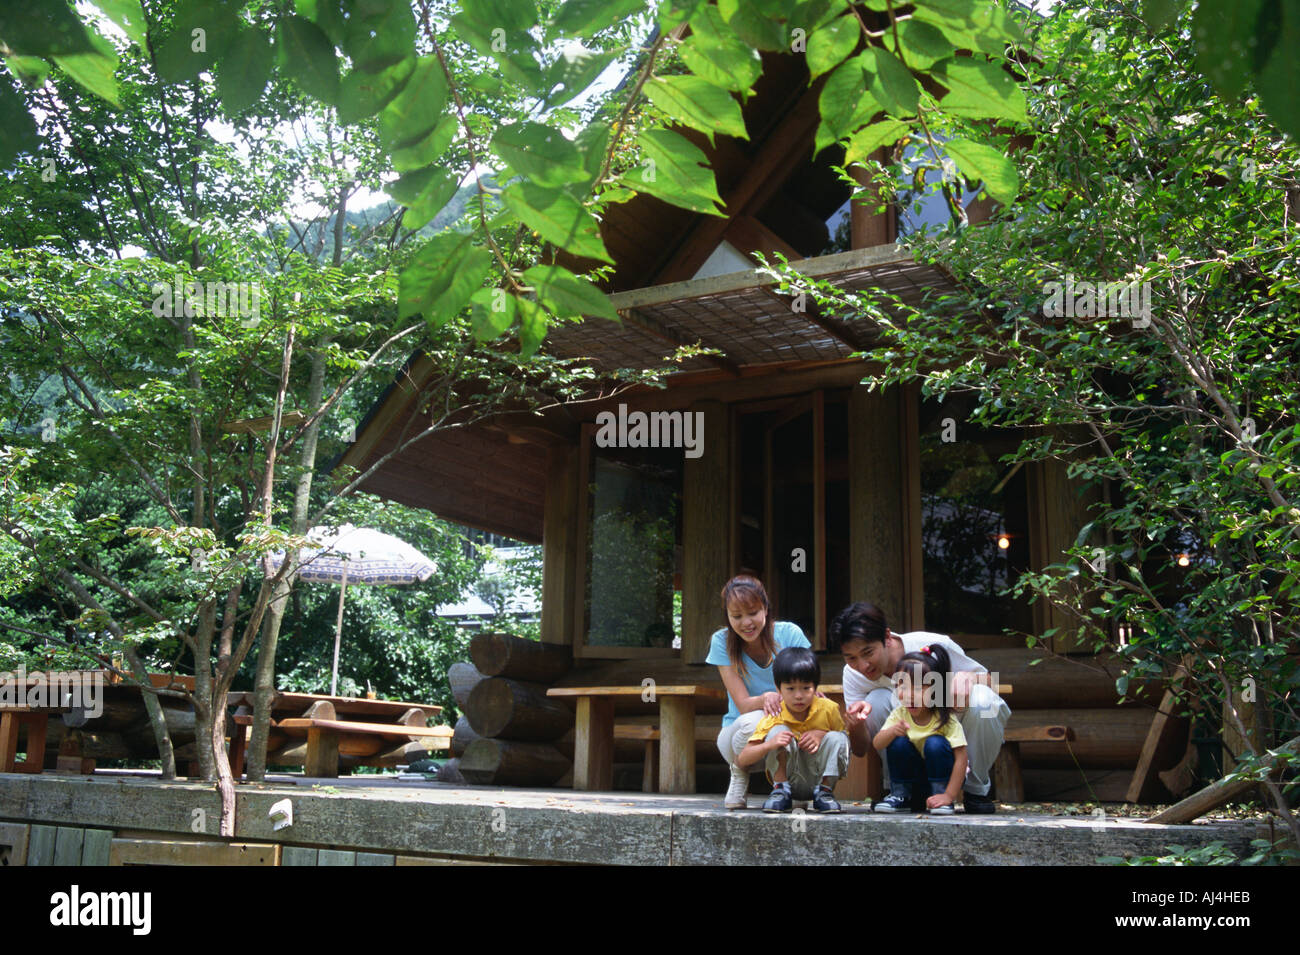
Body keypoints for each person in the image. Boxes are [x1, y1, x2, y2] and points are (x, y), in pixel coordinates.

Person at [829, 601, 1010, 813]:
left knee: (985, 701)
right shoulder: (853, 675)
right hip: (907, 743)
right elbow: (860, 749)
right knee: (877, 700)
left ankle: (976, 791)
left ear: (887, 637)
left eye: (868, 653)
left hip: (950, 730)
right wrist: (856, 725)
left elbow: (992, 682)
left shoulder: (931, 644)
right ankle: (900, 790)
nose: (862, 666)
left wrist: (969, 677)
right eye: (851, 658)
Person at [706, 574, 811, 810]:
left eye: (753, 613)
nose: (746, 623)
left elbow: (805, 685)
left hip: (786, 731)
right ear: (727, 617)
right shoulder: (721, 641)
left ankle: (786, 785)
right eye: (737, 616)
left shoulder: (789, 634)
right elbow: (743, 704)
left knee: (782, 724)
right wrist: (766, 698)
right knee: (755, 720)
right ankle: (739, 774)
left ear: (765, 608)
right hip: (737, 738)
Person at [736, 647, 848, 812]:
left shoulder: (828, 709)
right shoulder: (775, 714)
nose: (798, 696)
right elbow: (743, 758)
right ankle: (780, 791)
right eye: (790, 688)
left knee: (839, 737)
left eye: (806, 688)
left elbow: (844, 741)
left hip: (818, 777)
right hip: (790, 779)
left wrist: (821, 734)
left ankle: (825, 793)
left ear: (816, 687)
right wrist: (769, 744)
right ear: (778, 688)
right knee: (777, 731)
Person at [871, 645, 968, 815]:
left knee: (935, 743)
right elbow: (878, 743)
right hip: (915, 783)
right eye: (902, 685)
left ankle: (941, 798)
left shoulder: (945, 719)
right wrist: (893, 731)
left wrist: (949, 795)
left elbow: (961, 760)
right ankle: (901, 795)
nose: (908, 694)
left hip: (941, 783)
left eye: (917, 688)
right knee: (898, 742)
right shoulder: (900, 714)